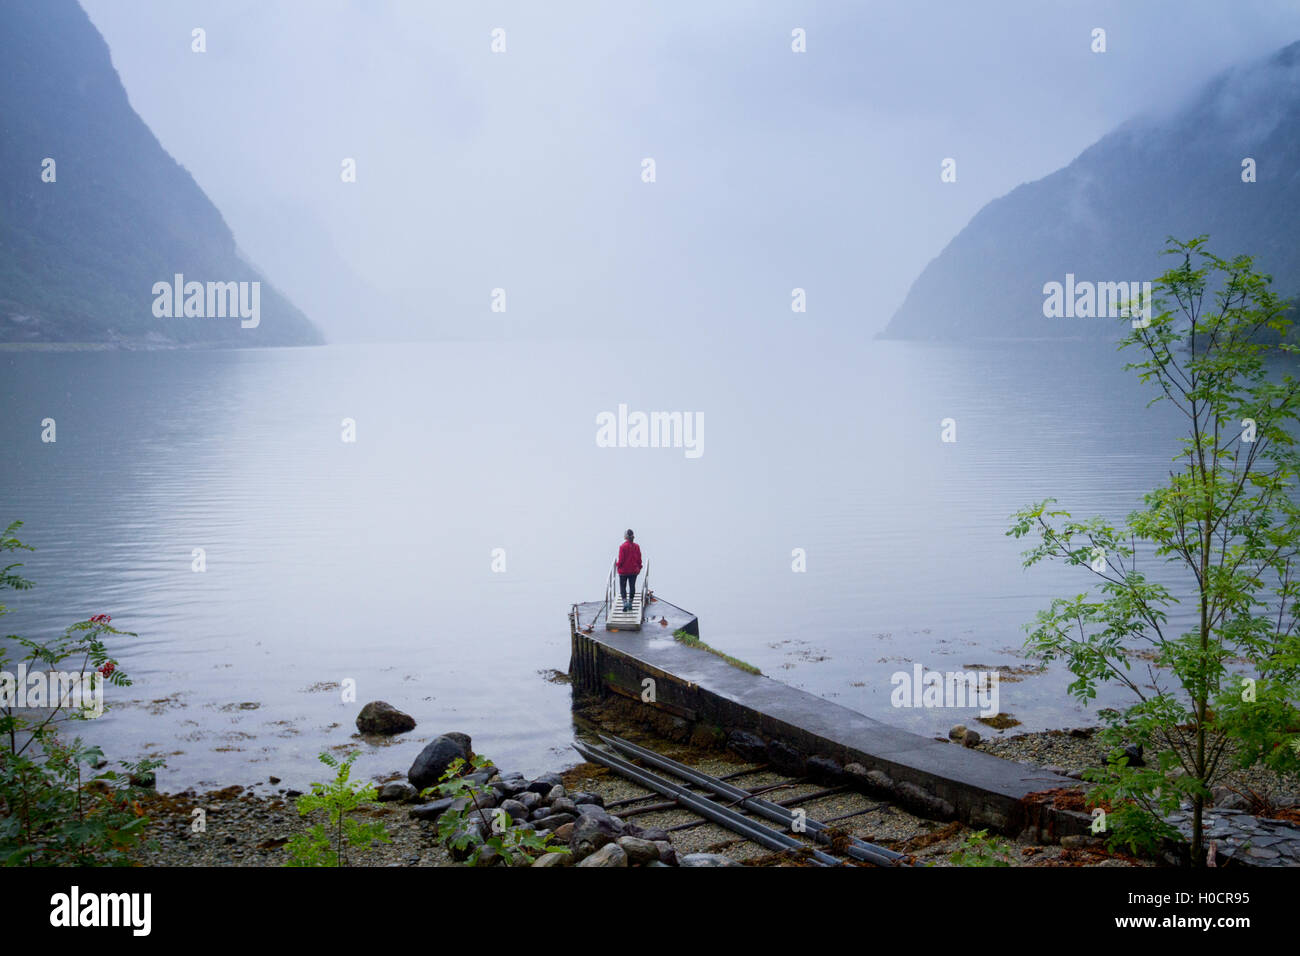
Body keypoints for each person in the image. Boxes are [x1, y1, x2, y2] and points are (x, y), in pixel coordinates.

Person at [616, 529, 642, 612]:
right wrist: (639, 567)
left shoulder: (622, 547)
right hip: (633, 571)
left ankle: (625, 603)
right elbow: (639, 559)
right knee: (632, 586)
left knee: (623, 587)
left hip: (623, 571)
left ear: (626, 537)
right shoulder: (636, 546)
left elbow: (621, 560)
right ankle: (630, 603)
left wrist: (617, 566)